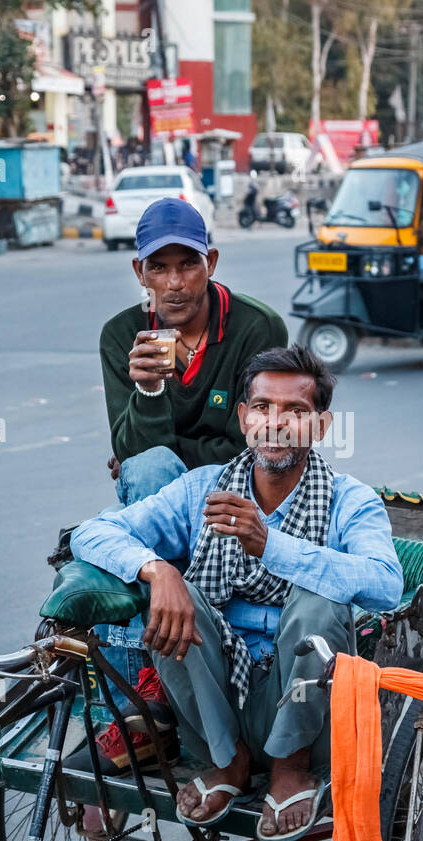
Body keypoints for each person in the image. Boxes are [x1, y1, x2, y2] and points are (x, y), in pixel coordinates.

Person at [71, 345, 403, 841]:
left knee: (319, 600)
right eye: (264, 408)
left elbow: (384, 584)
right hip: (215, 698)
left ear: (321, 426)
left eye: (295, 411)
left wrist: (272, 546)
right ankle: (228, 761)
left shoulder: (349, 500)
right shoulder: (200, 490)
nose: (276, 423)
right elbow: (92, 534)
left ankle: (290, 767)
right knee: (170, 596)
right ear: (245, 418)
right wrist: (158, 571)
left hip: (305, 698)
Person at [95, 197, 287, 756]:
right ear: (140, 273)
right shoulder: (122, 336)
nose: (174, 283)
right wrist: (150, 392)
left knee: (165, 468)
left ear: (212, 263)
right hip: (163, 495)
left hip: (235, 494)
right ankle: (164, 653)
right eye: (159, 267)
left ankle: (162, 680)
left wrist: (179, 445)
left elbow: (255, 443)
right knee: (152, 468)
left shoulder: (256, 326)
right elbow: (131, 450)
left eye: (188, 265)